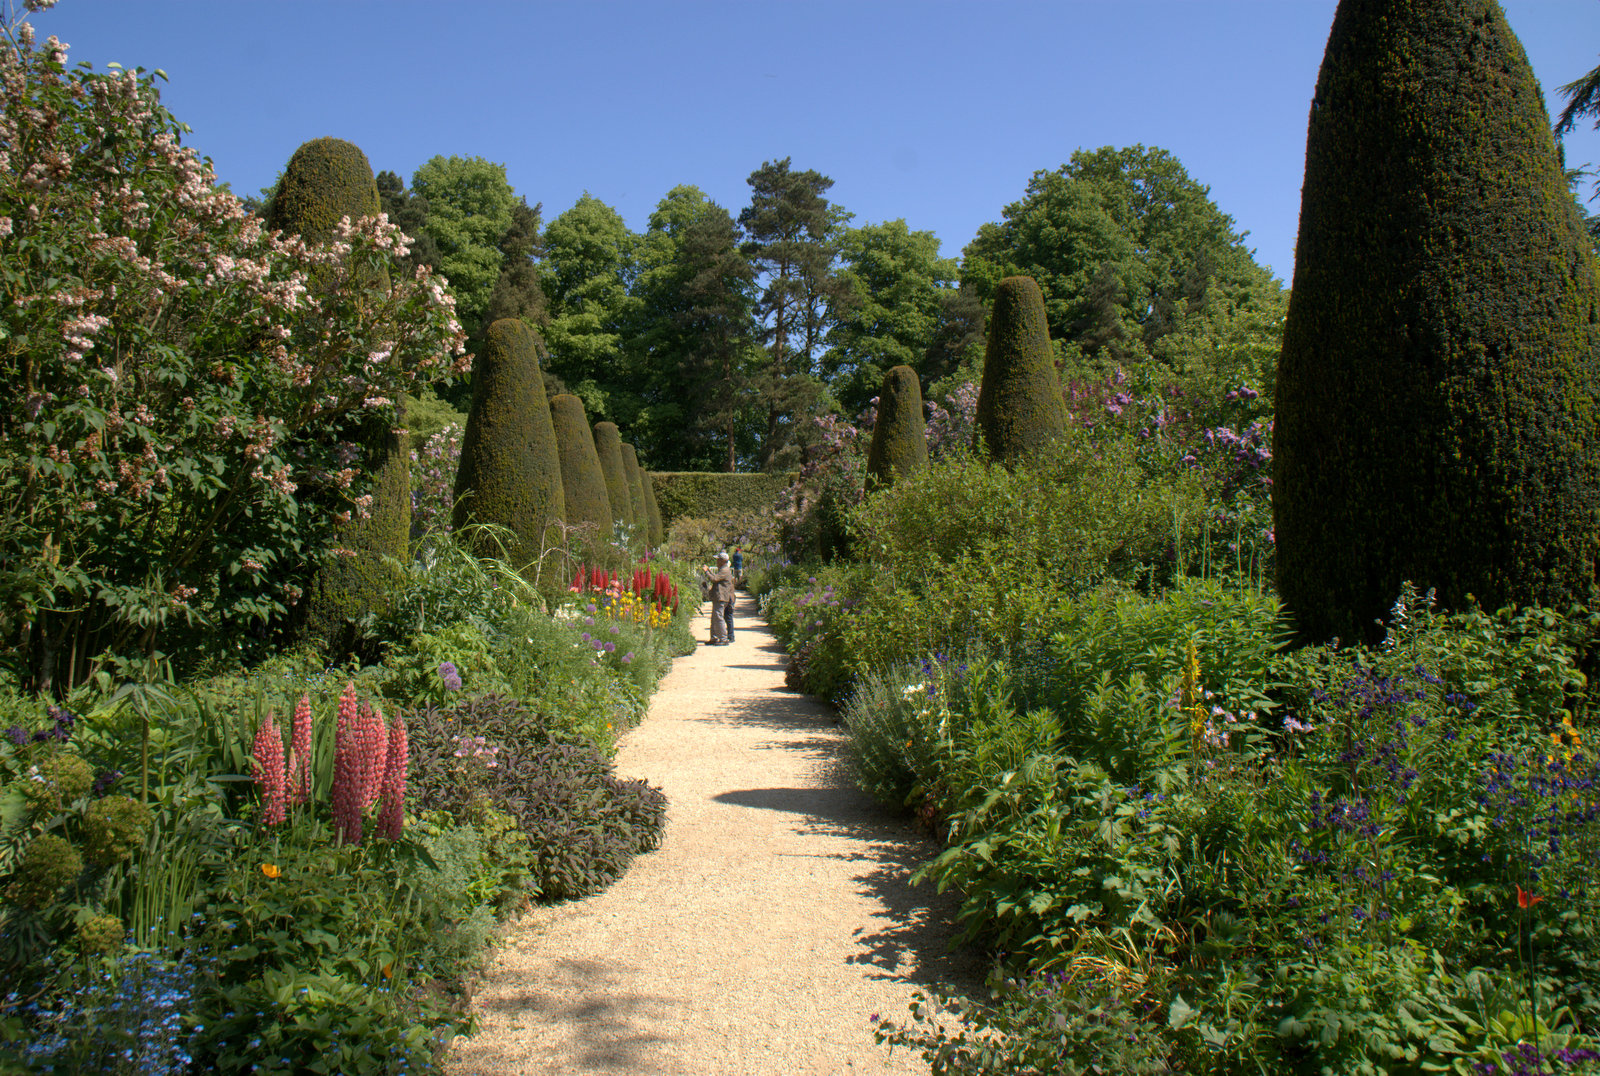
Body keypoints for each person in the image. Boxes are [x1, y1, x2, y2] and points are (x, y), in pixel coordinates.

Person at [701, 551, 735, 645]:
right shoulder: (723, 569)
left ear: (722, 561)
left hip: (721, 597)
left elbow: (714, 579)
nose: (717, 561)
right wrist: (709, 571)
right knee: (714, 618)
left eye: (718, 559)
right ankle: (714, 638)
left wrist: (707, 571)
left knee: (719, 617)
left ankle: (723, 639)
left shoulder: (725, 570)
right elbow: (717, 577)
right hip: (718, 597)